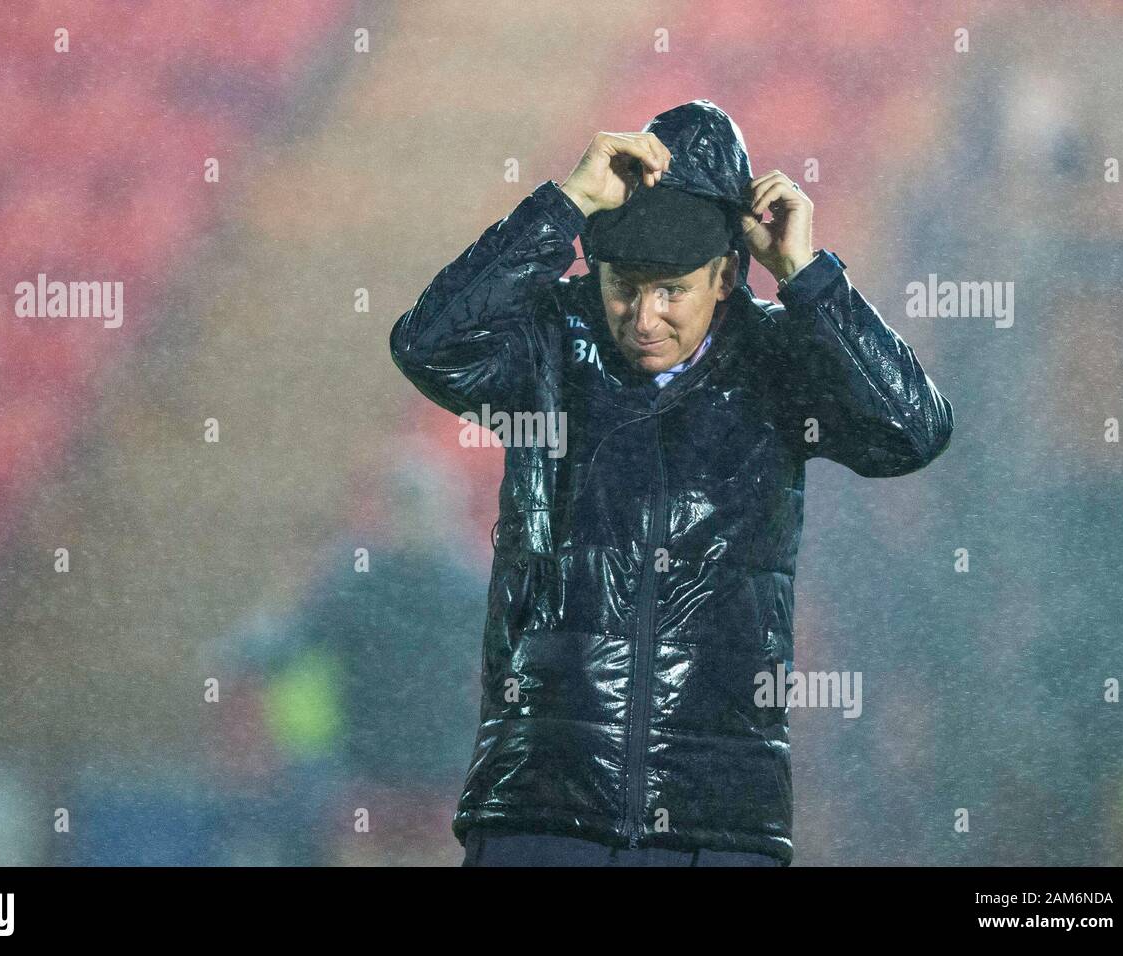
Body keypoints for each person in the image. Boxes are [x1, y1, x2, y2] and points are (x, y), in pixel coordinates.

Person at [388, 99, 954, 867]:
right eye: (625, 283)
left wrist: (811, 278)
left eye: (672, 290)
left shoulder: (781, 356)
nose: (643, 315)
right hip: (542, 805)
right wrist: (566, 203)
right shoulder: (549, 341)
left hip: (714, 819)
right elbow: (428, 344)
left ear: (726, 275)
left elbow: (912, 433)